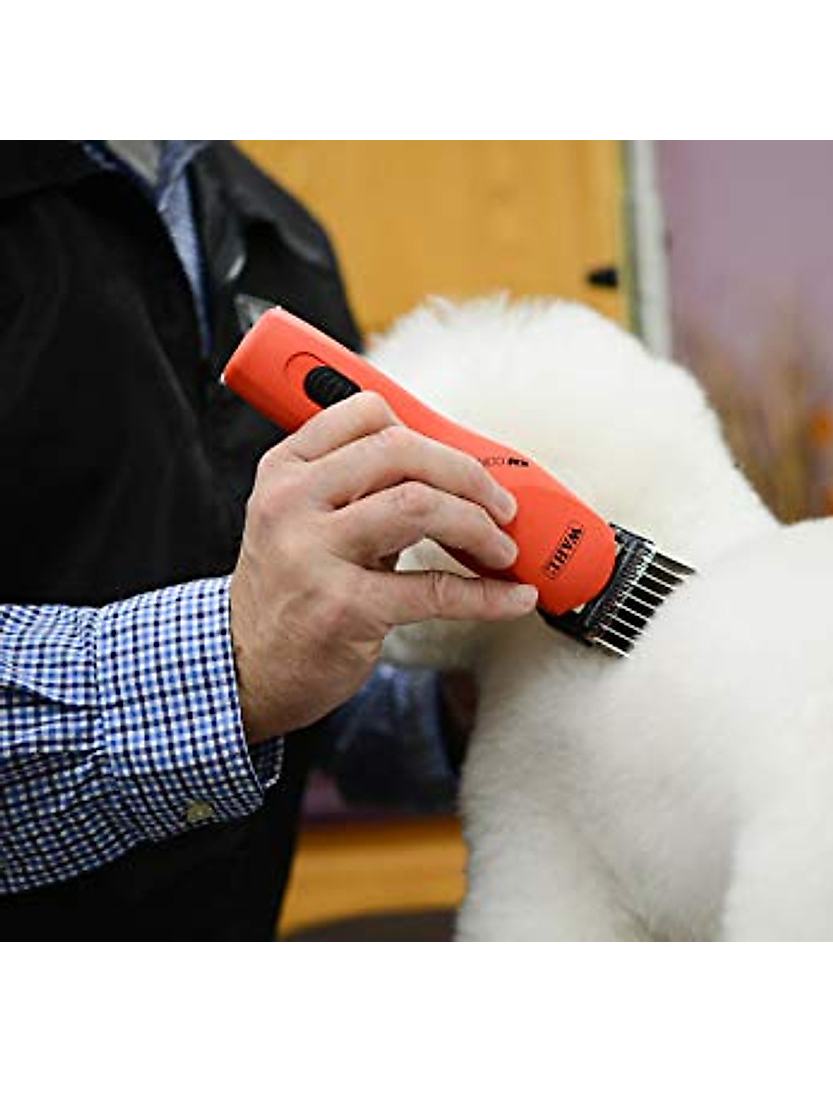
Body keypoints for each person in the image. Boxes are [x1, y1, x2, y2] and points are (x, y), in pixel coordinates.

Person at [0, 141, 537, 939]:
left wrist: (456, 701)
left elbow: (311, 688)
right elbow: (257, 646)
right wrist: (229, 661)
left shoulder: (279, 231)